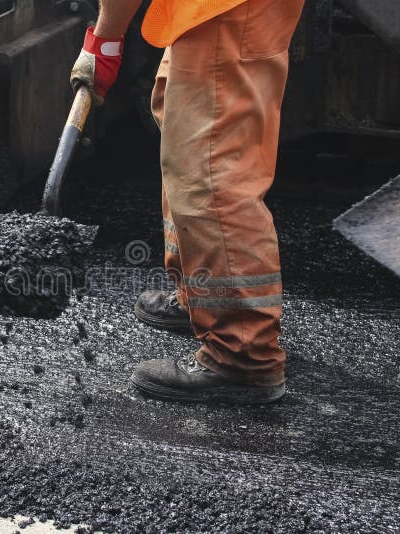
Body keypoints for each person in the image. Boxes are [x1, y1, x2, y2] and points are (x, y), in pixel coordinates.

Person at [71, 0, 305, 404]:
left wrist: (105, 39)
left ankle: (243, 354)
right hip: (210, 9)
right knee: (184, 127)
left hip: (225, 8)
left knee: (213, 172)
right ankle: (201, 296)